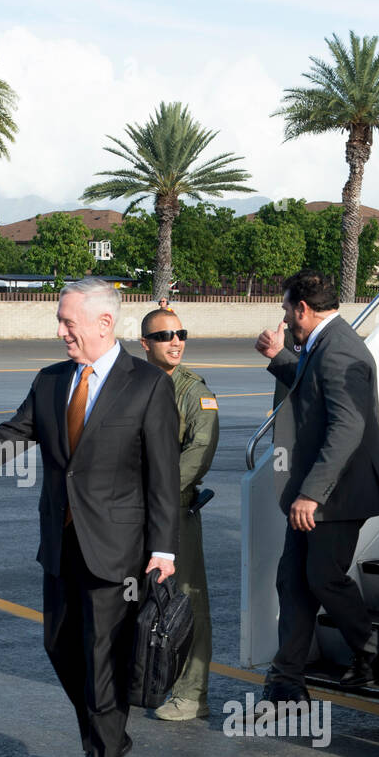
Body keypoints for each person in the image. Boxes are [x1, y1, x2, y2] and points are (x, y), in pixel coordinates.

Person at [0, 277, 179, 757]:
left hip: (119, 553)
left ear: (104, 324)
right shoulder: (51, 380)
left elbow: (163, 476)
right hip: (60, 547)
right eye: (60, 322)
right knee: (60, 647)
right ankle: (109, 737)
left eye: (68, 322)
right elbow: (14, 433)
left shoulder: (148, 385)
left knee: (103, 663)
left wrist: (164, 550)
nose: (60, 331)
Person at [254, 269, 379, 702]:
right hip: (318, 492)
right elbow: (312, 390)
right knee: (293, 580)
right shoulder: (325, 344)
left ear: (302, 308)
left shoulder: (340, 350)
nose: (285, 319)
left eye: (286, 310)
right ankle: (287, 677)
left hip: (337, 494)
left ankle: (371, 653)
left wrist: (312, 493)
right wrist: (280, 355)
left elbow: (346, 428)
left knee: (322, 578)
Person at [137, 308, 220, 722]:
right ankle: (141, 679)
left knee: (186, 599)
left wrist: (158, 495)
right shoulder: (132, 383)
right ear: (144, 343)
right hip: (130, 510)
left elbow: (199, 453)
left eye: (180, 334)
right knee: (133, 597)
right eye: (164, 335)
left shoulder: (193, 391)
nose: (175, 342)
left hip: (173, 510)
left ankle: (191, 693)